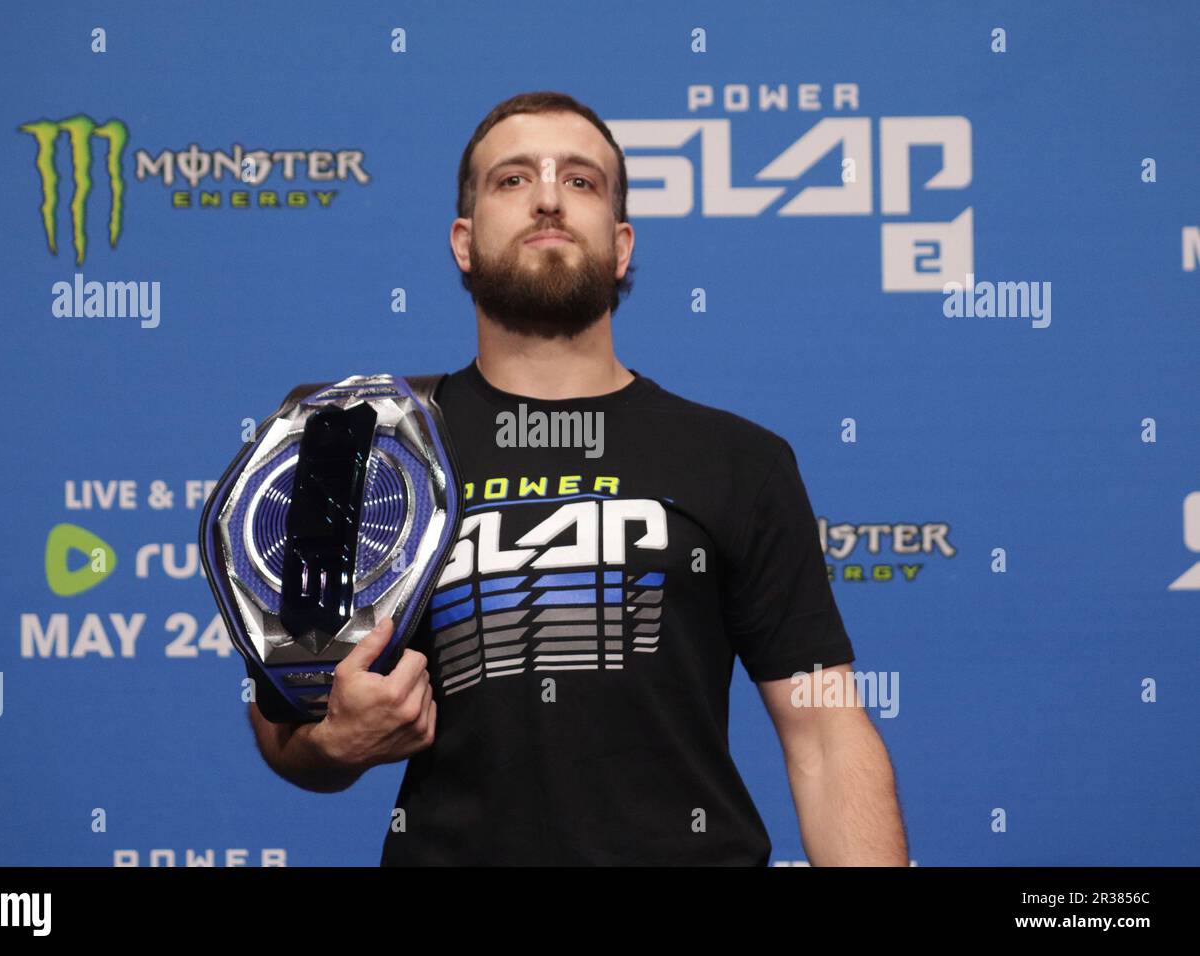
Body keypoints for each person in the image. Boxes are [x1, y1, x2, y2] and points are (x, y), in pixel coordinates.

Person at [248, 91, 909, 866]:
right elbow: (284, 728)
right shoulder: (359, 453)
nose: (551, 198)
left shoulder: (739, 459)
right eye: (514, 180)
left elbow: (826, 734)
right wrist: (338, 740)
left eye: (582, 182)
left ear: (622, 245)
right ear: (463, 241)